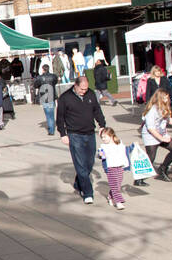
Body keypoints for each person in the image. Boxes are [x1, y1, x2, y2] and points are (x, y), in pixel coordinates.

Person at [56, 75, 107, 205]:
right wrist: (63, 134)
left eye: (86, 89)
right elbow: (60, 118)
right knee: (80, 164)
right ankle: (88, 193)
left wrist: (102, 125)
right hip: (74, 134)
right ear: (76, 85)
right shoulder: (65, 98)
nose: (84, 91)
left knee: (89, 163)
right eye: (82, 89)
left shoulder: (90, 94)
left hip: (90, 133)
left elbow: (97, 110)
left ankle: (79, 183)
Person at [140, 89, 172, 183]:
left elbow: (168, 119)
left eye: (167, 97)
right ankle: (139, 178)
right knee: (151, 158)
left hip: (162, 134)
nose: (167, 99)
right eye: (164, 97)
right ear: (159, 98)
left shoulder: (164, 107)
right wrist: (161, 139)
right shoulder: (152, 110)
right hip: (150, 136)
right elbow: (151, 129)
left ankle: (162, 169)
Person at [98, 127, 129, 210]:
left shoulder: (119, 143)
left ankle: (110, 197)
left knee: (117, 186)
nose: (103, 139)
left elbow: (125, 152)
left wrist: (133, 146)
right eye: (102, 137)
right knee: (115, 186)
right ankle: (118, 202)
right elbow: (101, 156)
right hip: (110, 168)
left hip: (119, 167)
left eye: (105, 137)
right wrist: (100, 155)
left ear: (111, 135)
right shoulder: (103, 146)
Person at [35, 64, 58, 136]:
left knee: (48, 114)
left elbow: (35, 85)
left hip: (44, 96)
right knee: (51, 113)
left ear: (43, 69)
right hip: (51, 95)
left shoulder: (40, 77)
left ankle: (51, 129)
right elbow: (55, 82)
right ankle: (51, 127)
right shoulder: (53, 76)